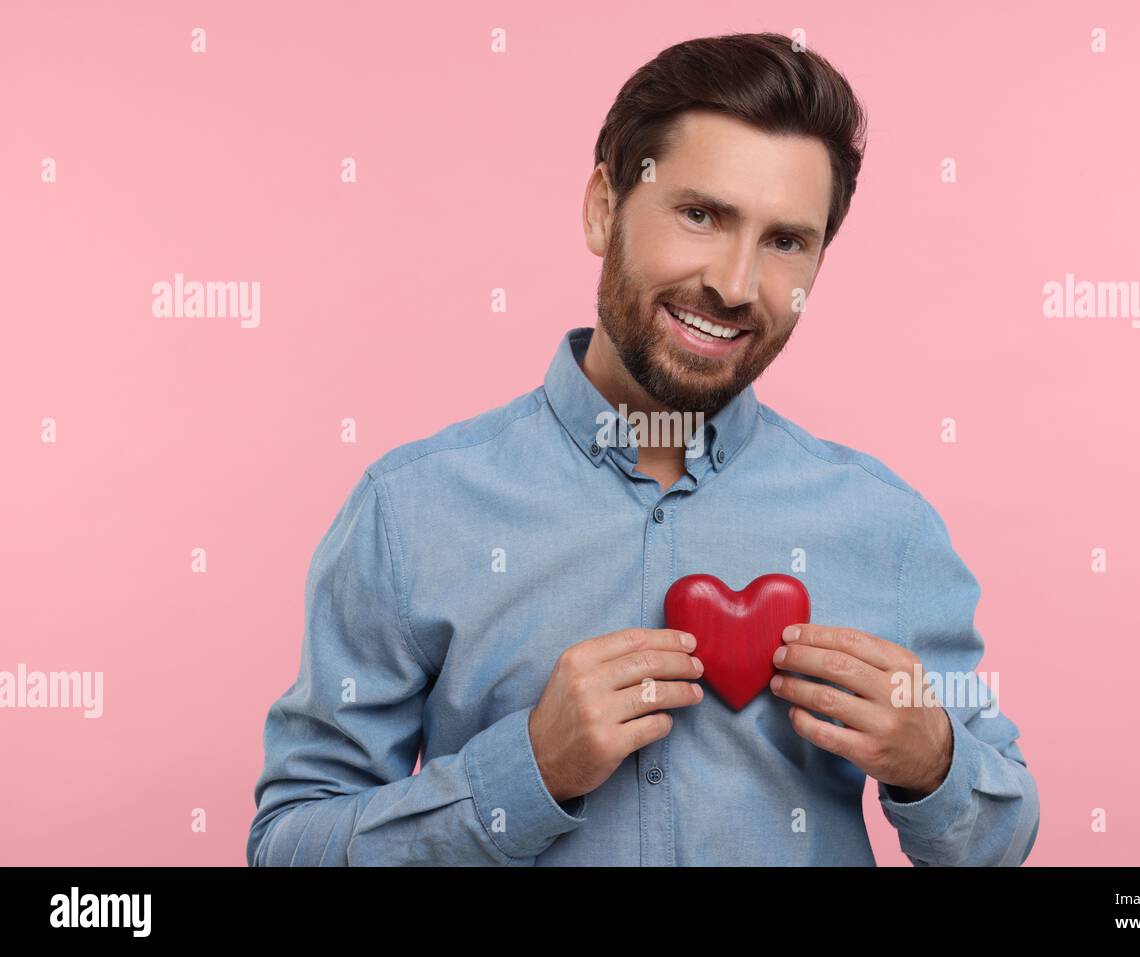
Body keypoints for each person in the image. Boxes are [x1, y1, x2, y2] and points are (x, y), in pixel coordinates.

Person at [247, 32, 1039, 866]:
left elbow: (1002, 834)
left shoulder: (889, 528)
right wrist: (528, 770)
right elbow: (288, 844)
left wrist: (933, 762)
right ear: (603, 208)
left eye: (785, 242)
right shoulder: (409, 512)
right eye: (701, 215)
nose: (735, 285)